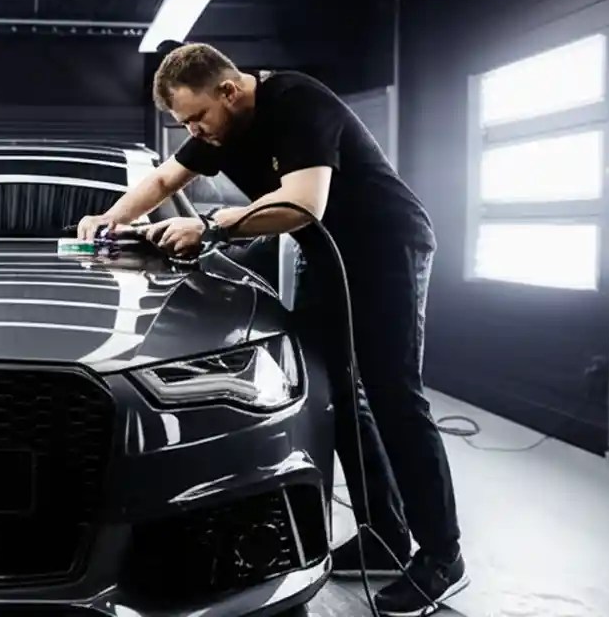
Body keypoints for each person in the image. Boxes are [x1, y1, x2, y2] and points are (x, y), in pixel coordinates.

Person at [76, 43, 467, 615]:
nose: (194, 131)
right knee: (333, 395)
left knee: (393, 396)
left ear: (228, 91)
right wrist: (110, 219)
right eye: (183, 122)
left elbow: (304, 204)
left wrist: (208, 226)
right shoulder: (220, 127)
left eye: (196, 117)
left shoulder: (297, 101)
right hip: (326, 255)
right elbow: (163, 180)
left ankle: (442, 554)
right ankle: (385, 532)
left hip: (387, 248)